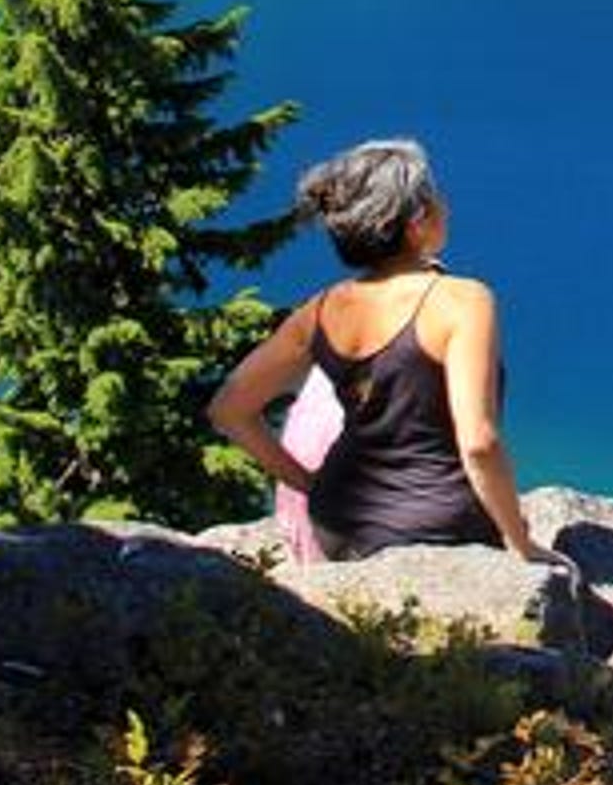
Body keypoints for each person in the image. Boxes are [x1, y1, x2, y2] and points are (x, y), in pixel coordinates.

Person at [209, 138, 553, 564]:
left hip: (338, 521)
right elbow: (479, 443)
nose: (445, 204)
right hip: (441, 531)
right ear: (417, 221)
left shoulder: (319, 310)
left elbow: (228, 409)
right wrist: (519, 540)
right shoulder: (464, 300)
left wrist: (308, 484)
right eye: (435, 195)